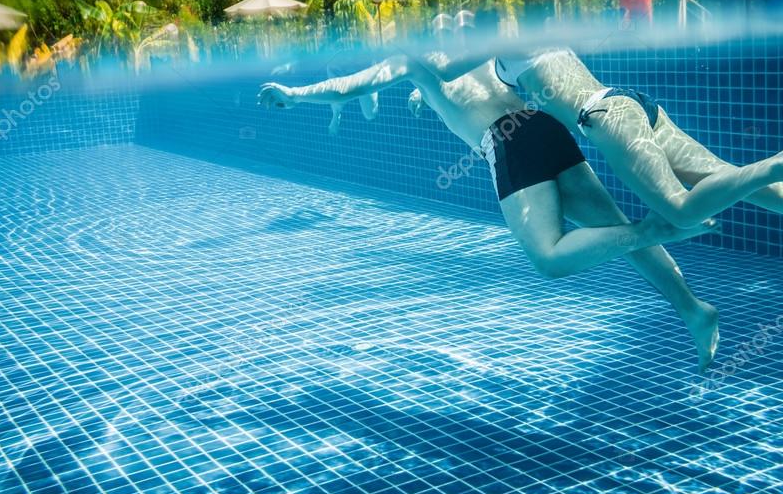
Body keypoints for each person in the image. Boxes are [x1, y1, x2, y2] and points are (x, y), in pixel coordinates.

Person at [259, 53, 721, 372]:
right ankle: (693, 308)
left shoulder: (410, 57)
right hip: (542, 124)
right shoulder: (474, 41)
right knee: (609, 225)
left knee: (550, 257)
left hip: (506, 142)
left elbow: (350, 87)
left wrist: (296, 95)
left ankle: (654, 228)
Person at [489, 47, 783, 268]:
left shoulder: (504, 40)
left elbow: (457, 68)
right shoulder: (545, 34)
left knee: (681, 211)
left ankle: (781, 162)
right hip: (627, 102)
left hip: (602, 117)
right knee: (724, 176)